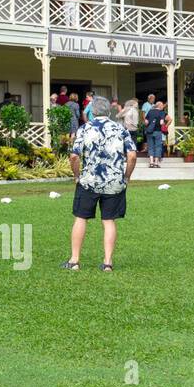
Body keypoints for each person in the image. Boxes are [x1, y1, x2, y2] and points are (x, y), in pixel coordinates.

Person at [64, 95, 137, 272]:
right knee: (109, 220)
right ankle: (107, 263)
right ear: (108, 111)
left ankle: (74, 261)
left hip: (88, 182)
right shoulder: (121, 129)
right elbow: (132, 156)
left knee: (81, 218)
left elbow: (74, 156)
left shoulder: (84, 128)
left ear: (93, 111)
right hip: (114, 182)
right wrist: (126, 177)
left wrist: (76, 176)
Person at [144, 99, 168, 167]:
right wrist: (164, 125)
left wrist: (149, 125)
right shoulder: (162, 112)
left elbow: (146, 122)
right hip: (158, 131)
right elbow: (161, 123)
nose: (163, 106)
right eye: (162, 105)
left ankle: (151, 162)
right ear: (160, 106)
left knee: (150, 146)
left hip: (150, 132)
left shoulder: (150, 111)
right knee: (158, 146)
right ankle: (156, 163)